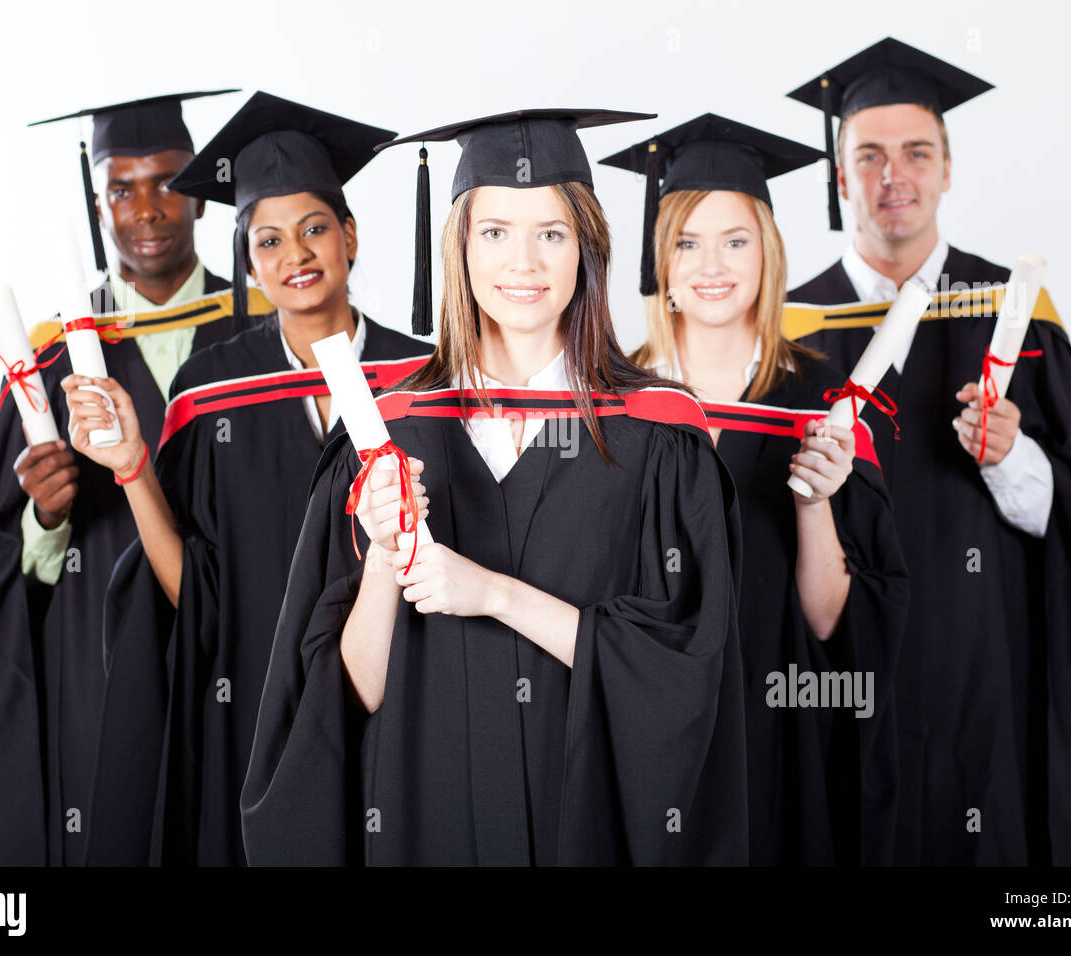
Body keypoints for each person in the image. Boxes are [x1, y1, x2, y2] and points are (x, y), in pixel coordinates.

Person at [240, 108, 750, 866]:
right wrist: (384, 558)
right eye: (495, 233)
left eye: (551, 232)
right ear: (459, 247)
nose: (525, 263)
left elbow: (685, 681)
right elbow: (348, 701)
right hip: (424, 824)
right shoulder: (387, 434)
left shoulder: (658, 438)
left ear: (587, 247)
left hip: (589, 828)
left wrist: (495, 594)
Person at [66, 92, 432, 866]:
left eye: (313, 229)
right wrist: (132, 467)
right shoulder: (210, 393)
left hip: (401, 706)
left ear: (350, 236)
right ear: (248, 259)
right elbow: (190, 590)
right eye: (268, 239)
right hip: (253, 716)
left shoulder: (427, 378)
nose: (294, 255)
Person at [786, 38, 1071, 865]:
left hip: (981, 671)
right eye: (869, 156)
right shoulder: (789, 331)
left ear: (947, 169)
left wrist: (1007, 454)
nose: (894, 175)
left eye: (916, 153)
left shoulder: (1017, 311)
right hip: (838, 672)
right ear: (839, 177)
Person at [0, 90, 246, 866]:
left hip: (239, 658)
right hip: (102, 668)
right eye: (121, 187)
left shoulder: (262, 335)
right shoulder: (51, 360)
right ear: (98, 203)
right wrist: (45, 521)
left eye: (168, 182)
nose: (146, 209)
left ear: (201, 195)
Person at [602, 113, 908, 865]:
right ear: (660, 262)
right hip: (640, 727)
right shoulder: (613, 400)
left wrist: (813, 501)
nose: (713, 265)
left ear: (767, 255)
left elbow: (834, 622)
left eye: (735, 241)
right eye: (688, 242)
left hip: (775, 728)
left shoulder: (816, 398)